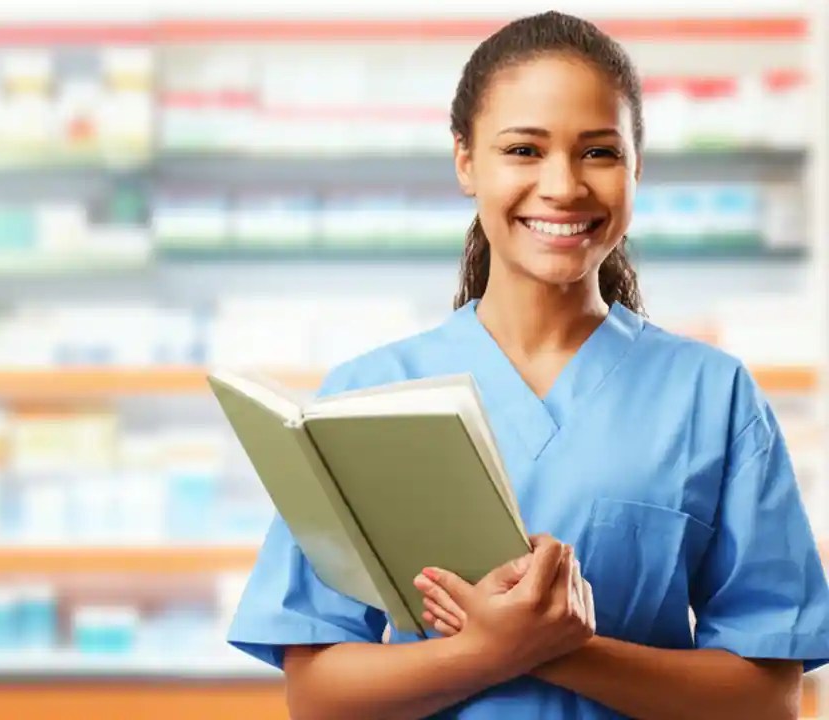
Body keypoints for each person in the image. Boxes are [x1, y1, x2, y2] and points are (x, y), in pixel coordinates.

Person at [225, 11, 829, 720]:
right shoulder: (366, 395)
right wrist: (491, 650)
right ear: (465, 162)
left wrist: (561, 648)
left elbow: (767, 700)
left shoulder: (712, 397)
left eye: (599, 152)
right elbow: (317, 696)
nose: (563, 186)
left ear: (638, 167)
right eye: (523, 150)